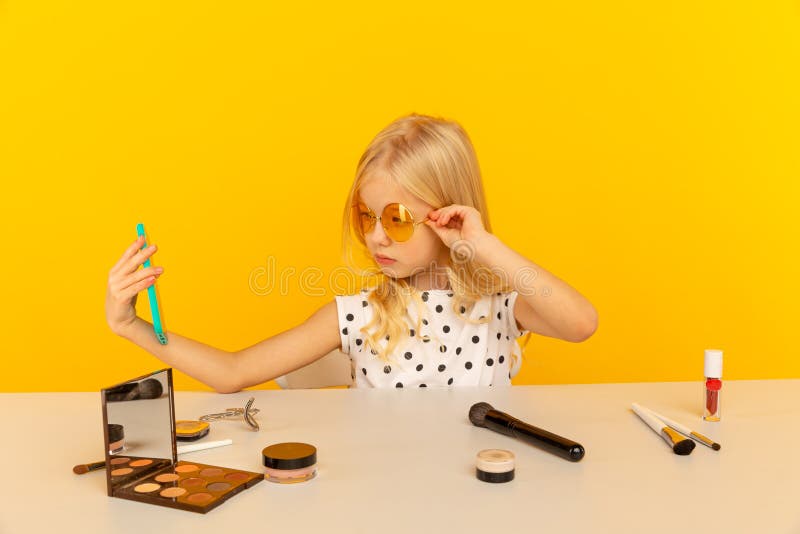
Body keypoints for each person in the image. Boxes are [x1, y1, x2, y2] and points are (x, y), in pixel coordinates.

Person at [105, 113, 598, 391]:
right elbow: (232, 373)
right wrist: (131, 326)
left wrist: (485, 247)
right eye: (366, 216)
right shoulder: (358, 314)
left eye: (397, 219)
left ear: (448, 216)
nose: (376, 237)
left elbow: (581, 324)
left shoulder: (500, 308)